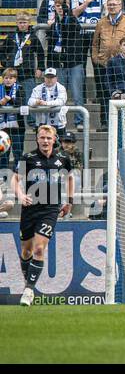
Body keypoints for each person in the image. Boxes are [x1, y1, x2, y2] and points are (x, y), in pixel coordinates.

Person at [10, 124, 75, 307]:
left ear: (54, 140)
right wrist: (20, 195)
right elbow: (14, 179)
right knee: (26, 251)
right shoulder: (28, 158)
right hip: (30, 209)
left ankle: (29, 290)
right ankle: (28, 284)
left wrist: (69, 202)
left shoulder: (63, 159)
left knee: (39, 249)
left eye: (48, 138)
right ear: (37, 139)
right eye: (42, 137)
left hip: (50, 210)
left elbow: (70, 178)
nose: (45, 141)